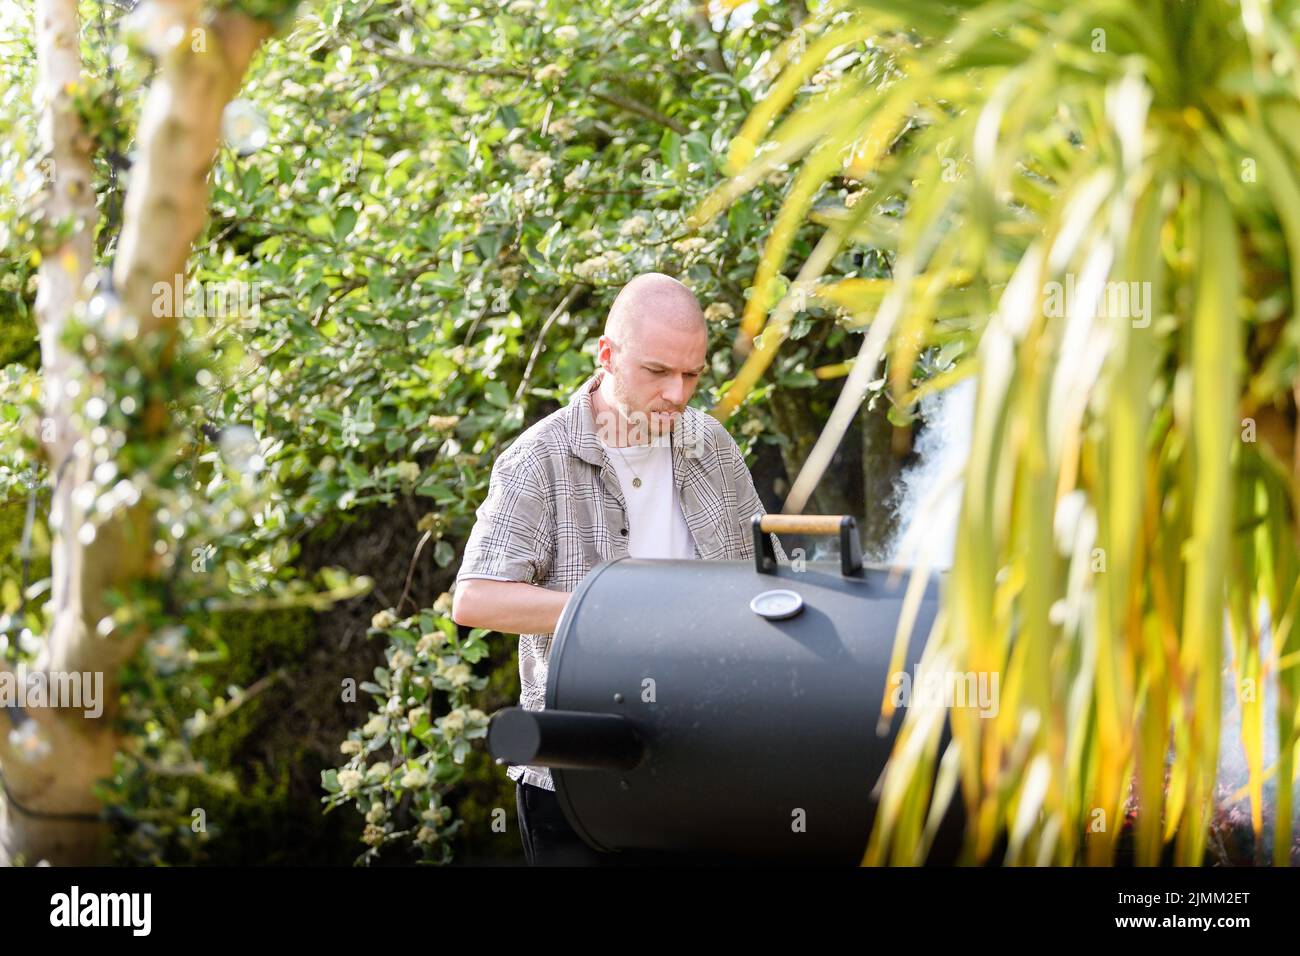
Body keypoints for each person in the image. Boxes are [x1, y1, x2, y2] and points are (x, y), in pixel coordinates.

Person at [452, 272, 785, 865]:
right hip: (574, 771)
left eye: (692, 375)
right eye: (657, 372)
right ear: (607, 356)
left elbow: (770, 575)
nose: (677, 395)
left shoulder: (713, 445)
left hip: (706, 757)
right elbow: (475, 598)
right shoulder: (537, 458)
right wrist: (615, 608)